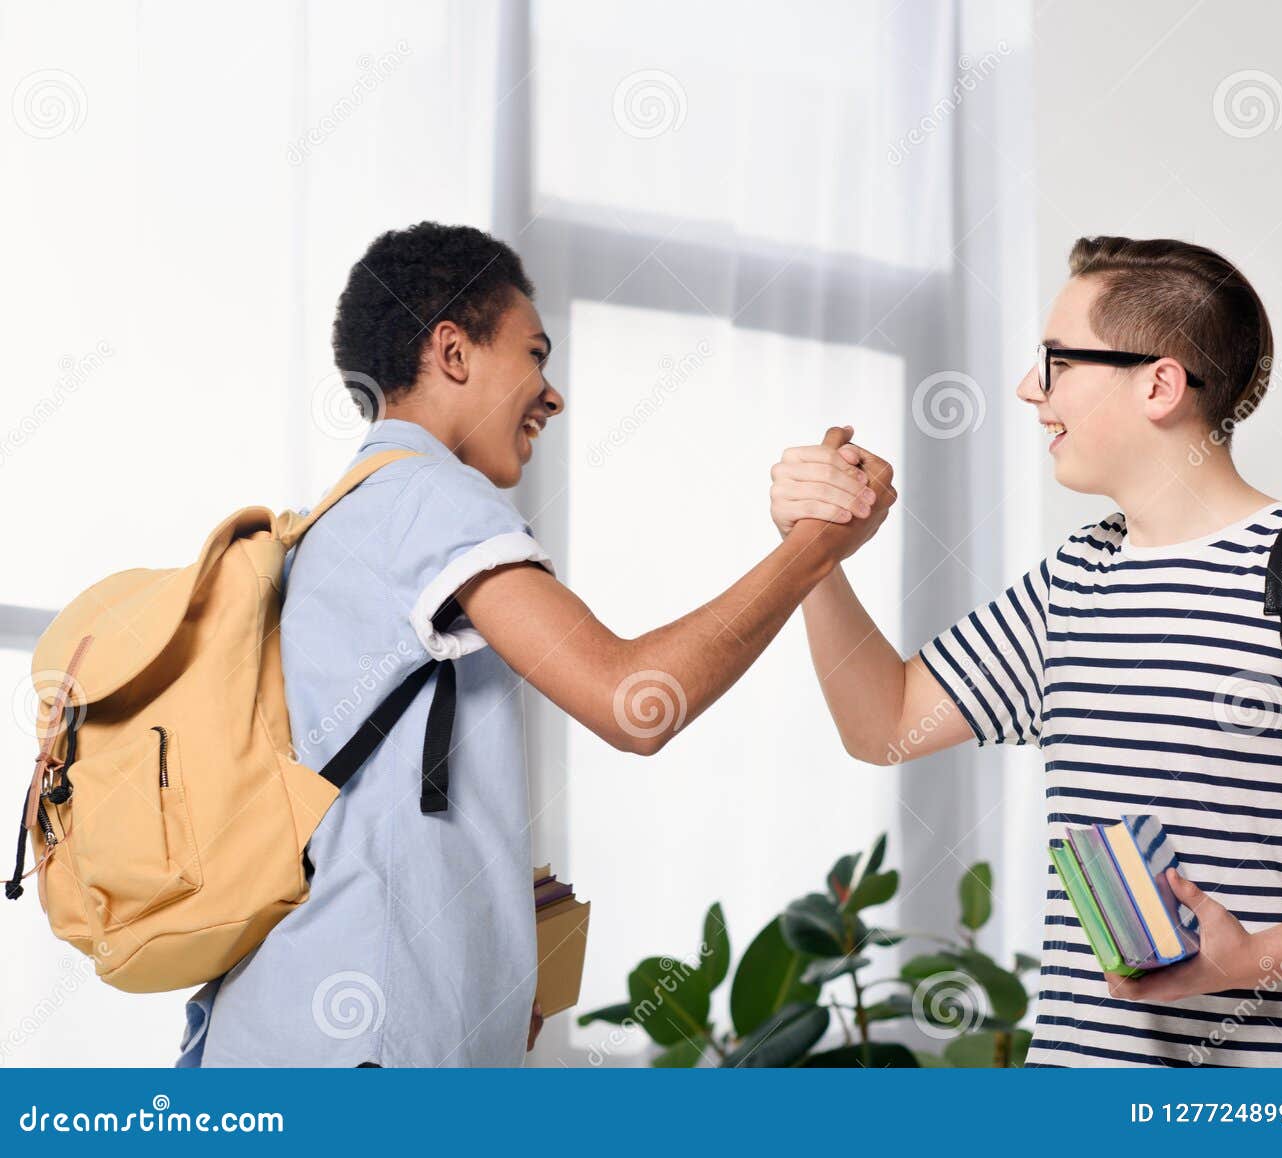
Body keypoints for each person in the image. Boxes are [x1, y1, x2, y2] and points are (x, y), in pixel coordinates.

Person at [768, 236, 1282, 1067]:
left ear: (1159, 383)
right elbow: (884, 722)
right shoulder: (1080, 576)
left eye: (1055, 362)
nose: (1027, 389)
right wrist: (816, 557)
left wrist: (1256, 961)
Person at [177, 222, 894, 1067]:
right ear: (452, 351)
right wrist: (814, 547)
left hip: (284, 1032)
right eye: (535, 355)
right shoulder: (427, 497)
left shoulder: (336, 521)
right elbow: (636, 703)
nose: (552, 396)